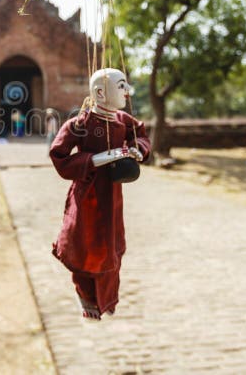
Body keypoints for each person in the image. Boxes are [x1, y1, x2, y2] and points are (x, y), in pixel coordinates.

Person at [49, 68, 150, 320]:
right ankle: (85, 294)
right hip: (86, 194)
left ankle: (106, 298)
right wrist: (95, 159)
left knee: (111, 245)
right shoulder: (79, 124)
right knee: (83, 245)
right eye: (121, 86)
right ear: (101, 92)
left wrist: (138, 149)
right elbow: (59, 155)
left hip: (112, 195)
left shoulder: (123, 121)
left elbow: (141, 135)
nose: (127, 91)